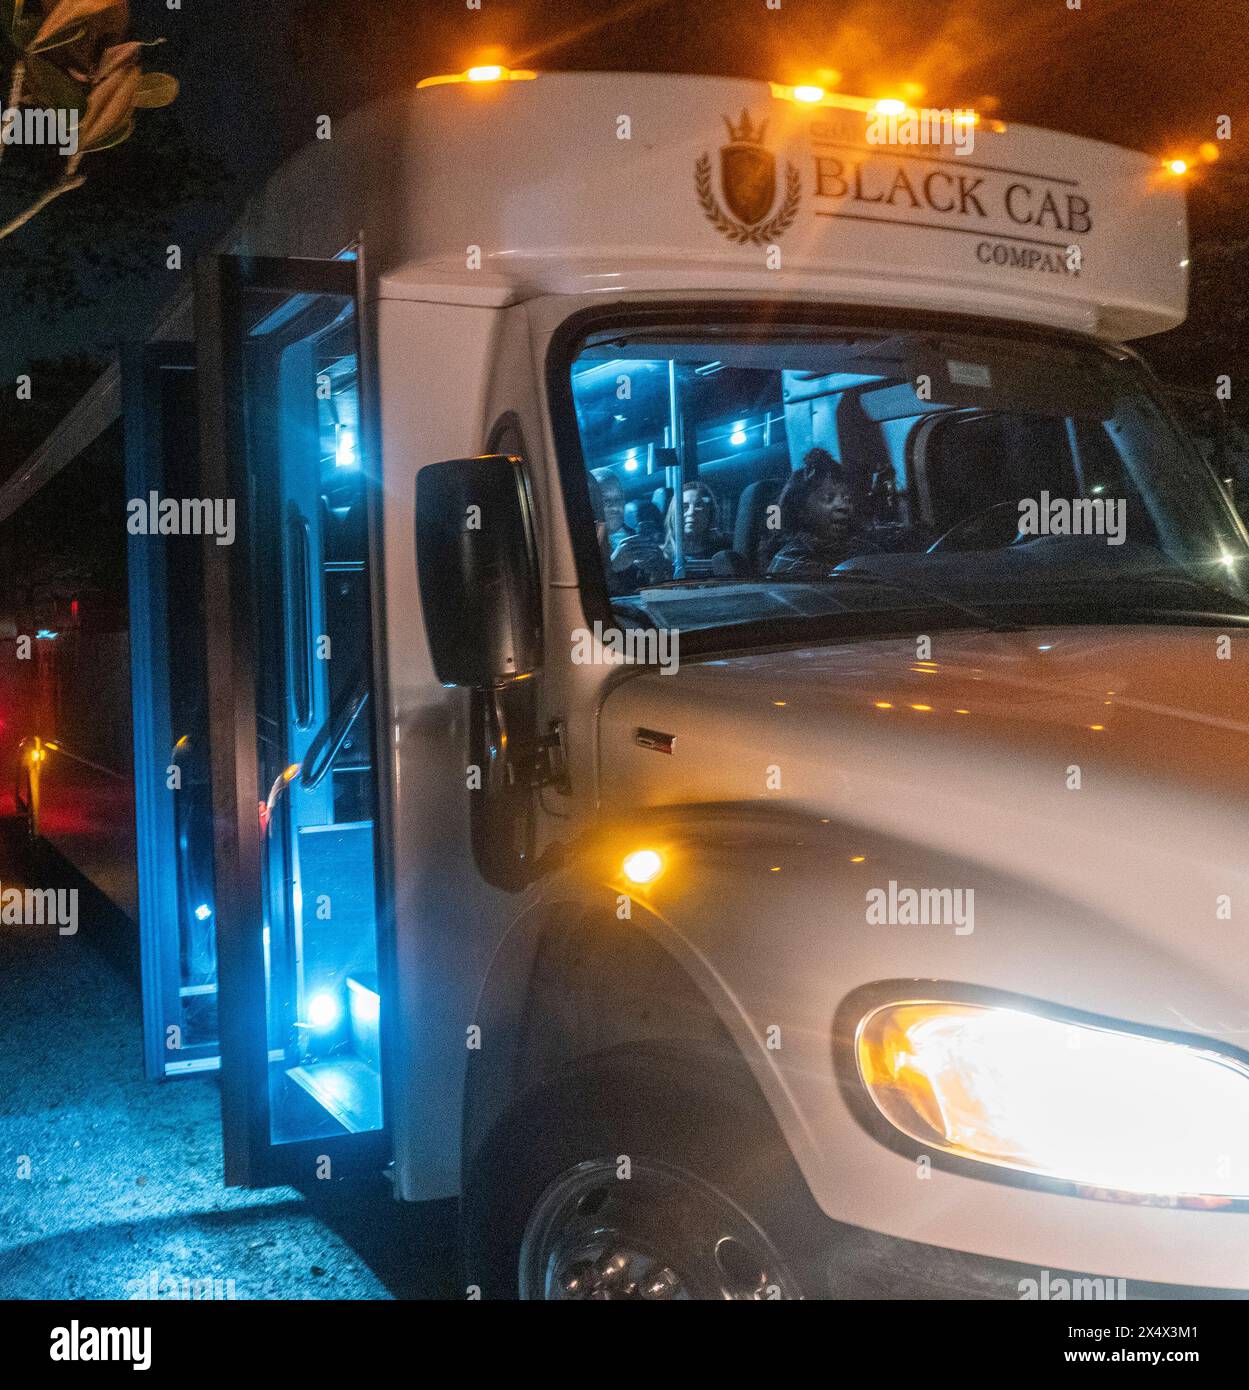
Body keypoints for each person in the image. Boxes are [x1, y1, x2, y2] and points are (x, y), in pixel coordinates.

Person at [762, 447, 875, 579]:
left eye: (847, 498)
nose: (843, 506)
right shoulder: (791, 559)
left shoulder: (866, 550)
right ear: (801, 511)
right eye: (828, 498)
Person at [663, 481, 729, 567]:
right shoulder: (663, 556)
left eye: (698, 505)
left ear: (710, 513)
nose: (691, 512)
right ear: (674, 513)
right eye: (685, 506)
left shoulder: (725, 552)